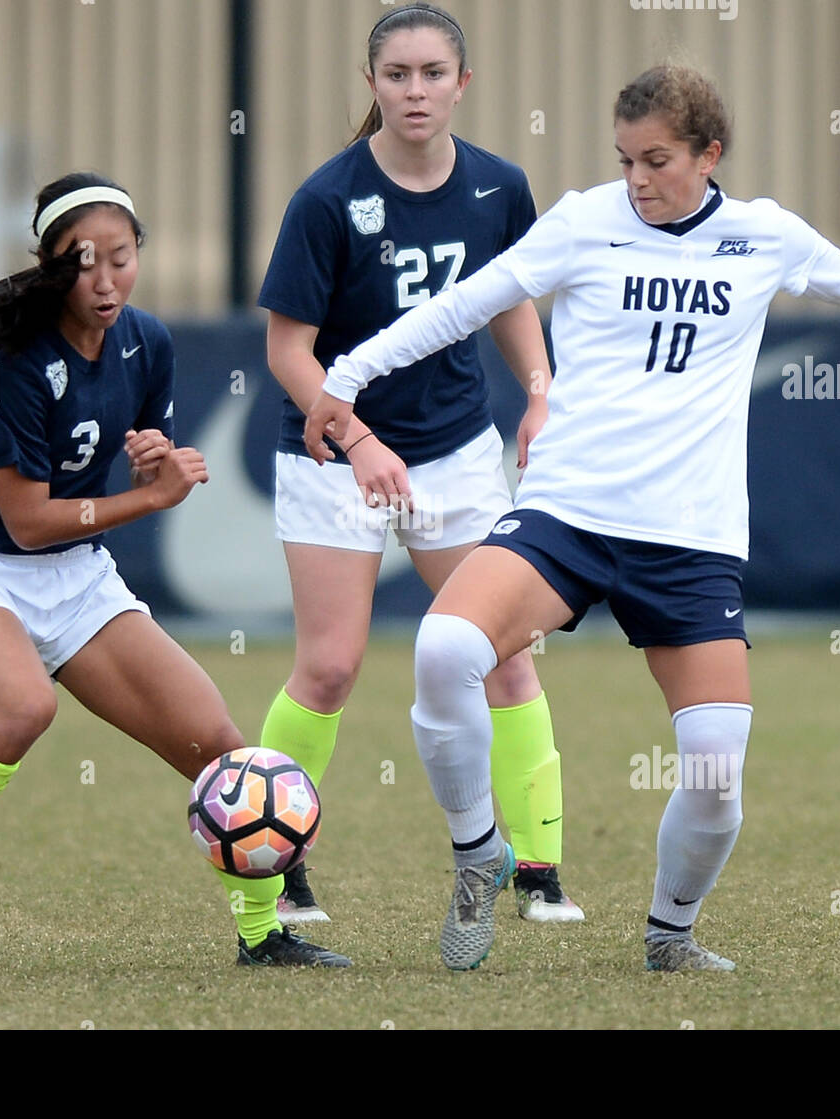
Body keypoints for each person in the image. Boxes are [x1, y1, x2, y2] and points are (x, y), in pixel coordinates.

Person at [306, 64, 840, 971]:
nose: (638, 180)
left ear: (710, 155)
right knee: (443, 648)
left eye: (657, 161)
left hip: (691, 541)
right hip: (568, 516)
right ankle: (477, 853)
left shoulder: (760, 236)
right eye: (626, 160)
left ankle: (670, 933)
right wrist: (345, 379)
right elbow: (461, 306)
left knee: (715, 771)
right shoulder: (583, 222)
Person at [0, 171, 348, 980]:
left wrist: (155, 459)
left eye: (121, 258)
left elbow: (142, 446)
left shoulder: (146, 341)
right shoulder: (10, 364)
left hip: (76, 575)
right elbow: (26, 520)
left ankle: (264, 934)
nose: (105, 279)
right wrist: (149, 496)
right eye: (82, 262)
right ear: (51, 265)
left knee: (220, 747)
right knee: (23, 708)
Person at [238, 1, 584, 959]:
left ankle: (539, 871)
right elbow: (288, 352)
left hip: (456, 453)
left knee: (503, 652)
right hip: (333, 457)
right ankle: (280, 852)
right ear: (372, 85)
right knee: (332, 665)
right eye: (398, 75)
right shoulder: (327, 198)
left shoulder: (499, 187)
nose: (417, 90)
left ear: (462, 84)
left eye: (434, 73)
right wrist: (356, 439)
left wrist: (539, 391)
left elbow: (509, 300)